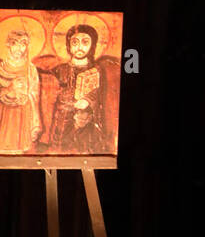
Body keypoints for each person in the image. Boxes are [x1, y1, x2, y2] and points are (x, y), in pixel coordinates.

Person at [36, 25, 120, 156]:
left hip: (85, 117)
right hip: (63, 115)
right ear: (68, 45)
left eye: (85, 42)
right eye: (75, 42)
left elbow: (99, 92)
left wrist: (87, 100)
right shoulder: (61, 68)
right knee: (60, 147)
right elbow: (46, 79)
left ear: (92, 45)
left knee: (84, 145)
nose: (79, 47)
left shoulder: (96, 69)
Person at [0, 28, 41, 153]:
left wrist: (35, 121)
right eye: (14, 43)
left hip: (22, 115)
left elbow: (35, 94)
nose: (19, 48)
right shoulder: (1, 67)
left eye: (23, 44)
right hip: (3, 114)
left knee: (20, 150)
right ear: (8, 45)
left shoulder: (30, 69)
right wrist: (9, 89)